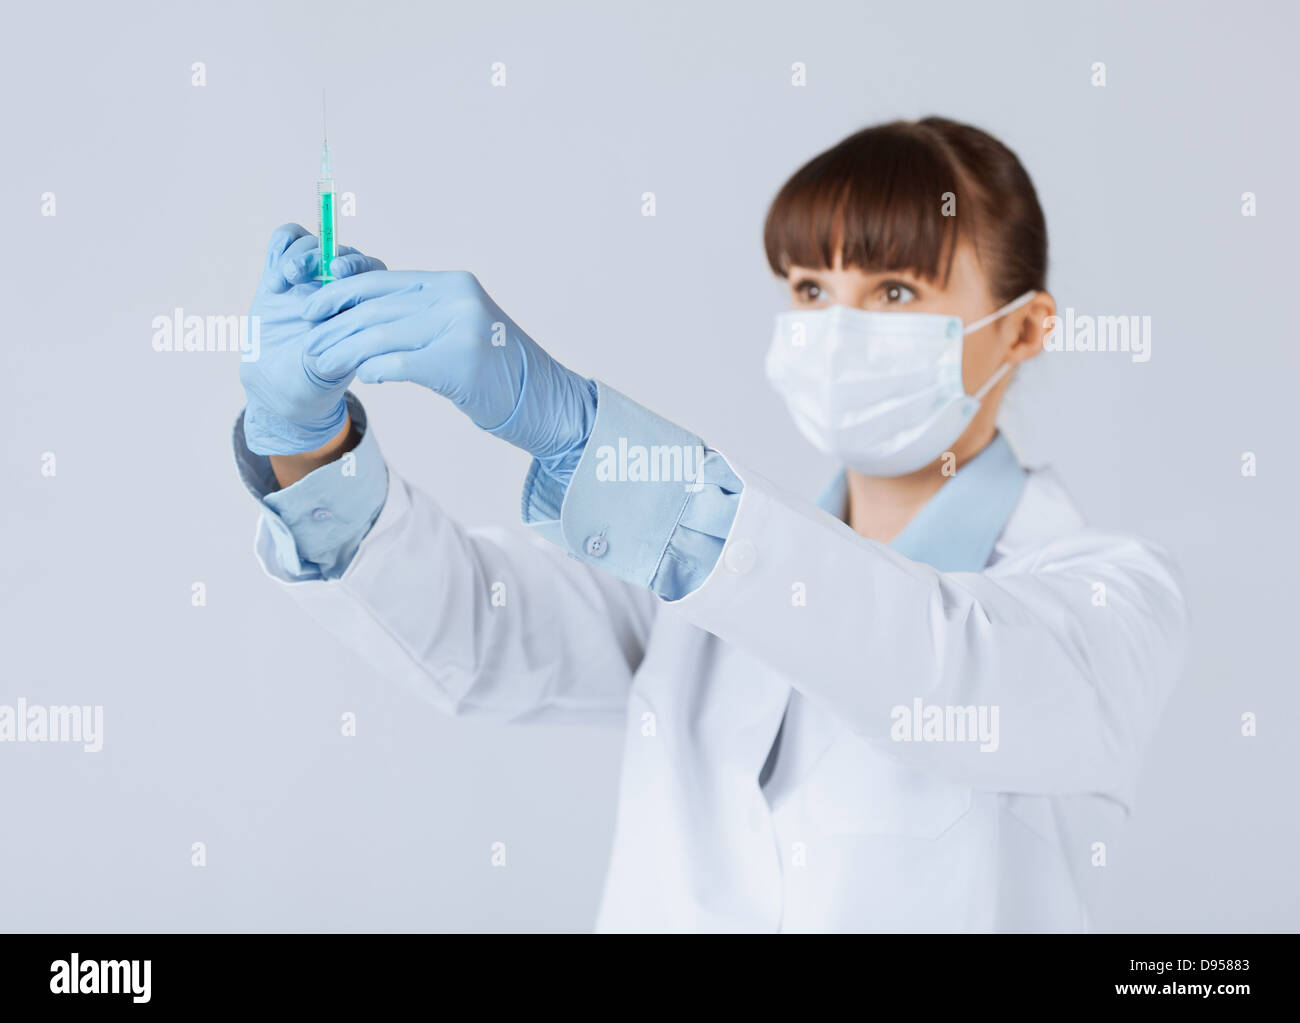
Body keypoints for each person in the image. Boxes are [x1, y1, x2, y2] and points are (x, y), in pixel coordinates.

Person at [232, 116, 1188, 932]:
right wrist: (303, 446)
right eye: (812, 290)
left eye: (895, 292)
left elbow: (936, 661)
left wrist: (580, 430)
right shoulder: (703, 588)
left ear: (1021, 329)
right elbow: (475, 634)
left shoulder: (1108, 600)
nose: (835, 328)